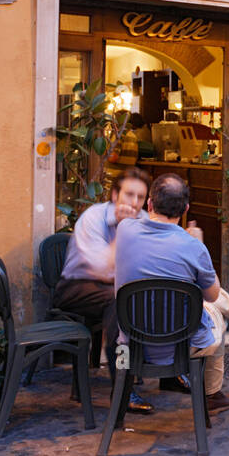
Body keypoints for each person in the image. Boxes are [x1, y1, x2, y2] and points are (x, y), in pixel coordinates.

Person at [113, 174, 229, 416]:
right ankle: (212, 395)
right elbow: (212, 294)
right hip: (180, 346)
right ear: (186, 210)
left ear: (149, 204)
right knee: (215, 313)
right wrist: (198, 242)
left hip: (131, 344)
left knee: (196, 299)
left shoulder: (125, 230)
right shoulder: (192, 247)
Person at [52, 167, 155, 414]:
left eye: (140, 197)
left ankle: (170, 372)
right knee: (120, 305)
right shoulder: (93, 218)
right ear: (114, 195)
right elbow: (102, 268)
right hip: (78, 286)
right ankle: (122, 388)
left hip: (118, 286)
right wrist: (124, 229)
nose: (134, 202)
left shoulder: (142, 219)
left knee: (159, 295)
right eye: (129, 195)